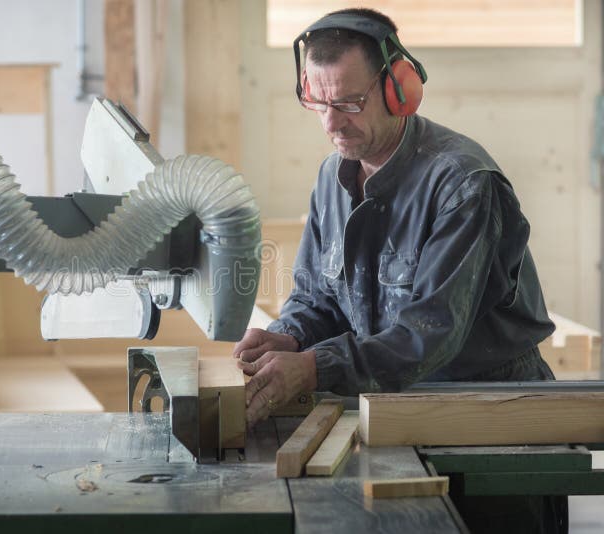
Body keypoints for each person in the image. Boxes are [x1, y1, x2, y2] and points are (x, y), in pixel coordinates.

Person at [233, 8, 565, 533]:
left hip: (489, 414)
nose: (331, 122)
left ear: (399, 89)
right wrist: (289, 337)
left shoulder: (462, 183)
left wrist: (316, 367)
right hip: (393, 409)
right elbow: (318, 296)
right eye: (317, 102)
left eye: (348, 102)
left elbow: (427, 335)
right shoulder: (331, 176)